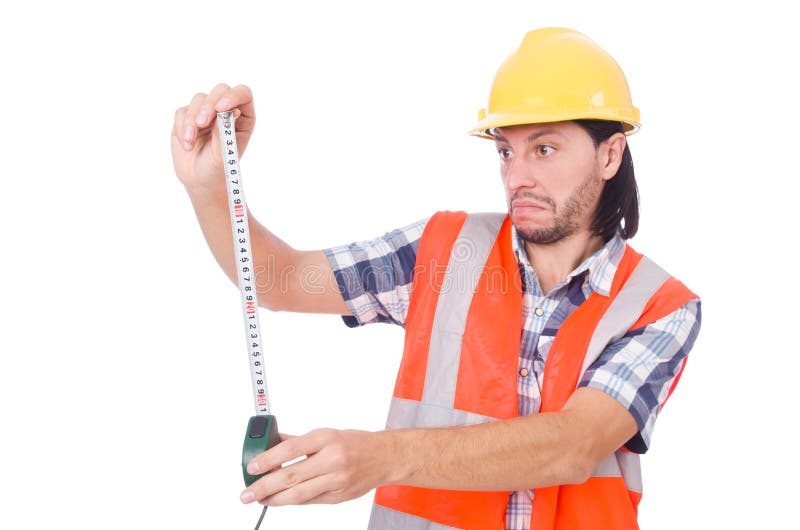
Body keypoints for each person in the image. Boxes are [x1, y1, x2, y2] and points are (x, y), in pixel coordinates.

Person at [170, 27, 701, 530]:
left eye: (544, 149)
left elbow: (574, 446)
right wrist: (210, 187)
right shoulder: (442, 251)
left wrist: (379, 457)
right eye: (505, 151)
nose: (516, 177)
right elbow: (278, 279)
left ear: (610, 154)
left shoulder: (657, 304)